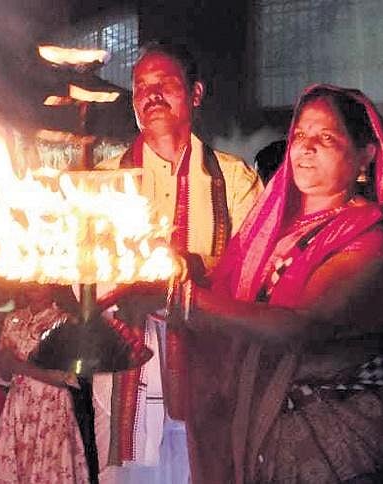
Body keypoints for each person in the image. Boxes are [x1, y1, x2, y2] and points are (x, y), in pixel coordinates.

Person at [189, 84, 383, 482]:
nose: (306, 148)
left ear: (366, 156)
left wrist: (184, 298)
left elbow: (303, 325)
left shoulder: (372, 240)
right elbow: (232, 293)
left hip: (330, 433)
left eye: (326, 137)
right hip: (267, 428)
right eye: (300, 136)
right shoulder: (272, 229)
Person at [92, 41, 262, 484]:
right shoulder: (104, 182)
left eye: (163, 84)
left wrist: (192, 268)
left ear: (196, 93)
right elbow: (82, 281)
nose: (150, 96)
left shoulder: (232, 178)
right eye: (139, 88)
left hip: (208, 360)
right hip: (127, 361)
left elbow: (253, 273)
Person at [0, 284, 90, 484]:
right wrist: (1, 360)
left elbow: (62, 377)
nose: (35, 284)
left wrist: (19, 366)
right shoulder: (13, 320)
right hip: (18, 405)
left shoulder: (64, 321)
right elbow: (3, 375)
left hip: (51, 406)